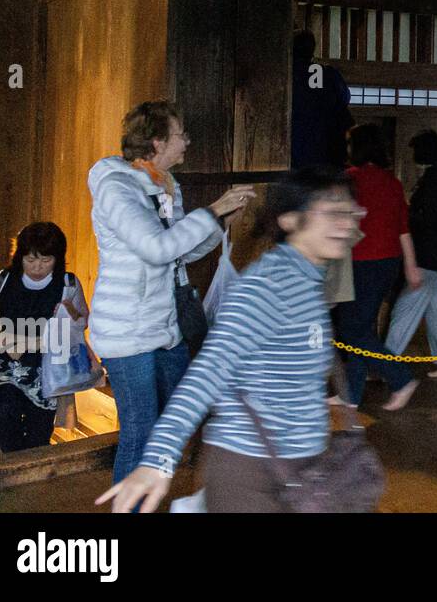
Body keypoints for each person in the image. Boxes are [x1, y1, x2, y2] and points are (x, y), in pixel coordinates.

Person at [96, 168, 367, 513]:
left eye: (349, 212)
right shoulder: (269, 284)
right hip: (250, 471)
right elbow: (209, 372)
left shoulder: (308, 281)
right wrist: (158, 461)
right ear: (289, 219)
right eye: (332, 213)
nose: (345, 224)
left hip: (300, 467)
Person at [88, 101, 254, 483]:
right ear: (157, 142)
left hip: (164, 324)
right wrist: (212, 211)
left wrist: (219, 223)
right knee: (141, 432)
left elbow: (179, 251)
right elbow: (156, 248)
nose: (188, 142)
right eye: (182, 135)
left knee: (177, 422)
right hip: (127, 332)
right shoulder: (116, 187)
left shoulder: (165, 184)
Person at [0, 223, 87, 452]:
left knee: (39, 431)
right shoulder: (2, 279)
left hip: (47, 367)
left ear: (58, 258)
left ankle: (31, 475)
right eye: (30, 260)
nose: (37, 267)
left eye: (45, 260)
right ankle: (11, 471)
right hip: (6, 362)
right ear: (19, 256)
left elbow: (81, 321)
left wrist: (65, 318)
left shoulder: (67, 284)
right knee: (6, 411)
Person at [328, 124, 421, 411]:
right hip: (389, 263)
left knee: (350, 329)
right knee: (362, 326)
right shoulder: (392, 182)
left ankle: (401, 378)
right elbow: (402, 228)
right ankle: (350, 395)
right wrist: (411, 266)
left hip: (360, 262)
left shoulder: (350, 180)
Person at [385, 130, 437, 378]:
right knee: (436, 311)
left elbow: (424, 221)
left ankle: (386, 363)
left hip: (425, 255)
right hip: (436, 255)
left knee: (404, 311)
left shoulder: (432, 182)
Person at [291, 30, 355, 169]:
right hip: (325, 146)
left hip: (292, 144)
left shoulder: (287, 72)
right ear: (312, 49)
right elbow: (344, 98)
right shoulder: (327, 73)